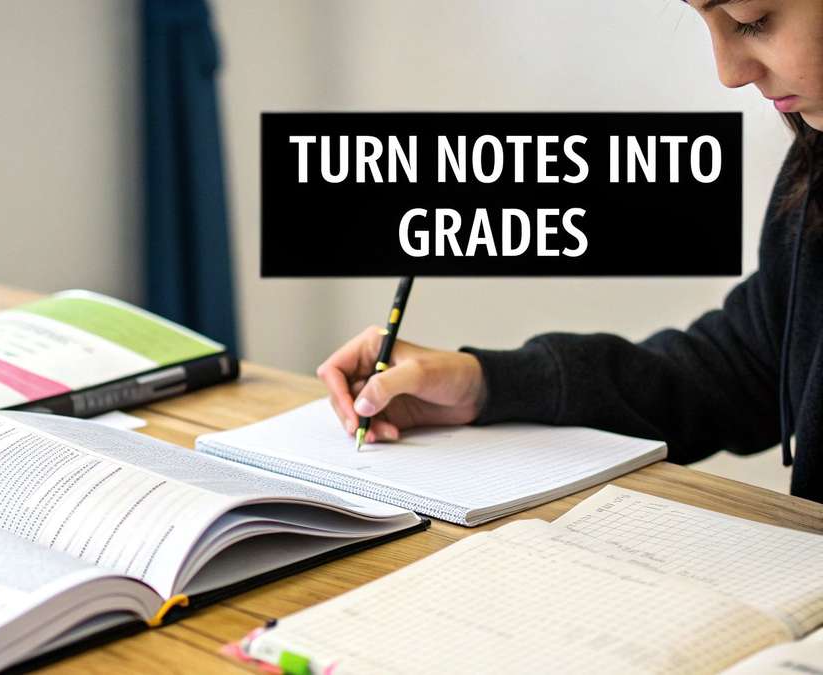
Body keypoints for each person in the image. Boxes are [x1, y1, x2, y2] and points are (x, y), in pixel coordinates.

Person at [318, 0, 823, 504]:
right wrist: (490, 385)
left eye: (750, 20)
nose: (729, 73)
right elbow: (744, 367)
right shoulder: (813, 169)